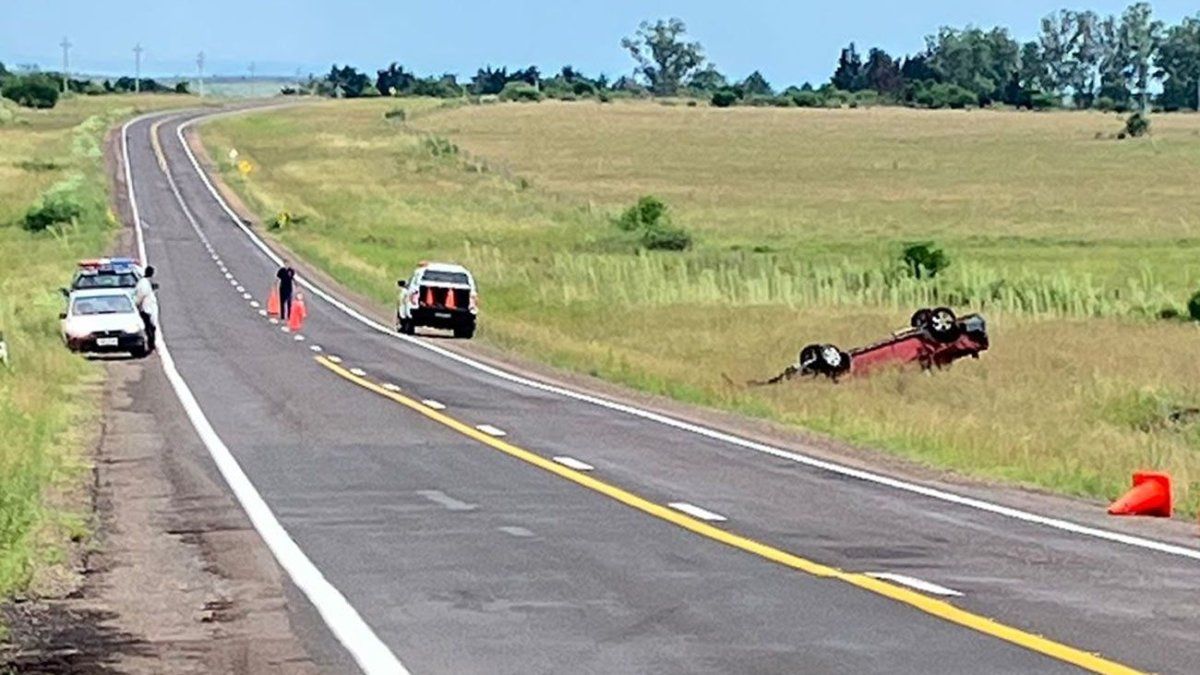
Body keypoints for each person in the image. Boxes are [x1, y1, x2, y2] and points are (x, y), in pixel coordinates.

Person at [134, 265, 159, 351]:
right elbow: (140, 296)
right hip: (146, 308)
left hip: (149, 307)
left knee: (152, 326)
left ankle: (152, 343)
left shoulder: (146, 282)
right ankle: (150, 344)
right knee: (149, 327)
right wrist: (137, 305)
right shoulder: (143, 283)